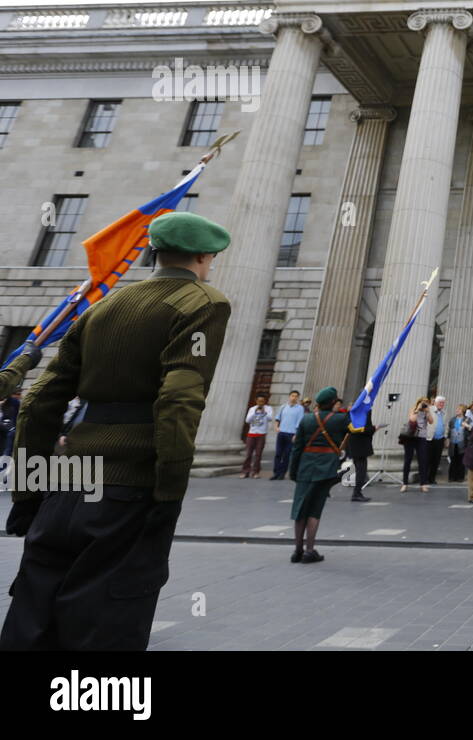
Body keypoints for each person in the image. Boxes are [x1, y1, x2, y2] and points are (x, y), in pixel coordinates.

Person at [0, 211, 231, 650]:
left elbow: (37, 402)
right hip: (127, 488)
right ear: (205, 256)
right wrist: (169, 492)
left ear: (155, 252)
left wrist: (29, 492)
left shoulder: (100, 307)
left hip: (65, 484)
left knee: (33, 614)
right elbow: (179, 400)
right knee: (106, 622)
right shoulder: (203, 303)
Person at [289, 387, 351, 563]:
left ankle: (297, 550)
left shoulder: (306, 420)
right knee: (314, 510)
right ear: (333, 402)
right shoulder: (340, 419)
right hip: (325, 469)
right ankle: (310, 551)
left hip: (305, 467)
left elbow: (297, 448)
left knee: (300, 508)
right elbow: (358, 426)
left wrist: (293, 471)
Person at [270, 390, 304, 480]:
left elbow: (299, 422)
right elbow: (278, 418)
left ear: (298, 398)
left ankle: (282, 473)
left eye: (296, 396)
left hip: (291, 433)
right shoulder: (283, 407)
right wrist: (276, 427)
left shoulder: (300, 408)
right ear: (289, 396)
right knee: (278, 453)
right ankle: (276, 472)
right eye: (292, 396)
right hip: (282, 432)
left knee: (287, 454)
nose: (294, 397)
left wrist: (296, 434)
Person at [401, 396, 431, 492]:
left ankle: (423, 484)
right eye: (423, 402)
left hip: (422, 437)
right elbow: (412, 420)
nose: (424, 404)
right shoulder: (414, 409)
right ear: (419, 402)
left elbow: (431, 421)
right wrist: (418, 409)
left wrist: (428, 411)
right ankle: (405, 483)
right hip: (411, 437)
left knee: (422, 460)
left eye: (426, 402)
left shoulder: (427, 411)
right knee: (407, 460)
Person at [241, 393, 273, 478]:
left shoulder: (268, 409)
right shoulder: (252, 409)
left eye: (262, 401)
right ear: (256, 401)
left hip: (261, 434)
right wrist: (255, 413)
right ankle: (245, 471)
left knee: (258, 454)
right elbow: (247, 420)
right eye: (259, 401)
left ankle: (255, 472)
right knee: (248, 454)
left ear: (265, 401)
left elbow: (270, 418)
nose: (260, 403)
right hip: (251, 434)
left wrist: (264, 412)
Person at [348, 410, 375, 502]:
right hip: (361, 446)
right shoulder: (364, 413)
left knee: (360, 470)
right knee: (361, 471)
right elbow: (366, 429)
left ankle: (357, 493)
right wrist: (375, 428)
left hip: (355, 445)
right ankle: (356, 493)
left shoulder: (354, 413)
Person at [426, 395, 448, 485]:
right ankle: (425, 478)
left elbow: (445, 426)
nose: (441, 404)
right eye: (440, 402)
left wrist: (445, 437)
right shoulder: (430, 409)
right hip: (430, 439)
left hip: (440, 439)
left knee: (436, 460)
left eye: (443, 403)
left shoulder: (444, 412)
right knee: (428, 460)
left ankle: (432, 478)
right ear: (435, 403)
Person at [448, 403, 468, 482]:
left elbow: (470, 430)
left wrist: (466, 426)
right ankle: (452, 477)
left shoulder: (467, 419)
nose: (457, 410)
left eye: (459, 409)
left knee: (461, 461)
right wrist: (447, 439)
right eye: (457, 409)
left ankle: (460, 477)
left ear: (463, 411)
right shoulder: (452, 419)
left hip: (462, 443)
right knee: (453, 460)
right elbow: (449, 430)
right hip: (453, 443)